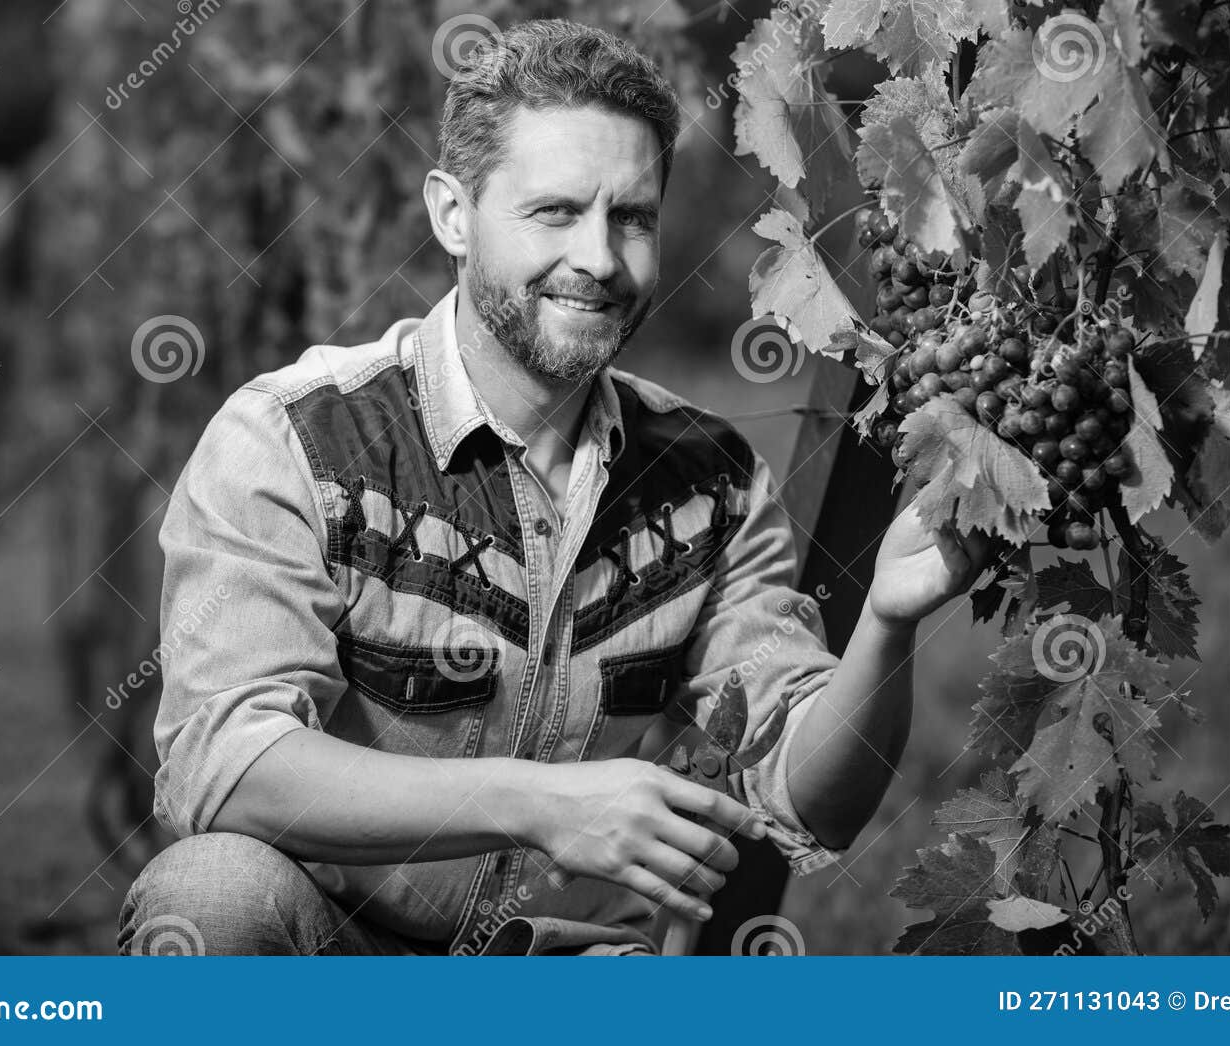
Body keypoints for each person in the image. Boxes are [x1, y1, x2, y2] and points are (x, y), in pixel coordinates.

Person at [118, 17, 985, 957]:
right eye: (555, 212)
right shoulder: (294, 440)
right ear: (453, 213)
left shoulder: (712, 483)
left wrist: (888, 625)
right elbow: (223, 764)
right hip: (331, 950)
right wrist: (538, 805)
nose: (601, 260)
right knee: (211, 894)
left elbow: (813, 800)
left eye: (632, 218)